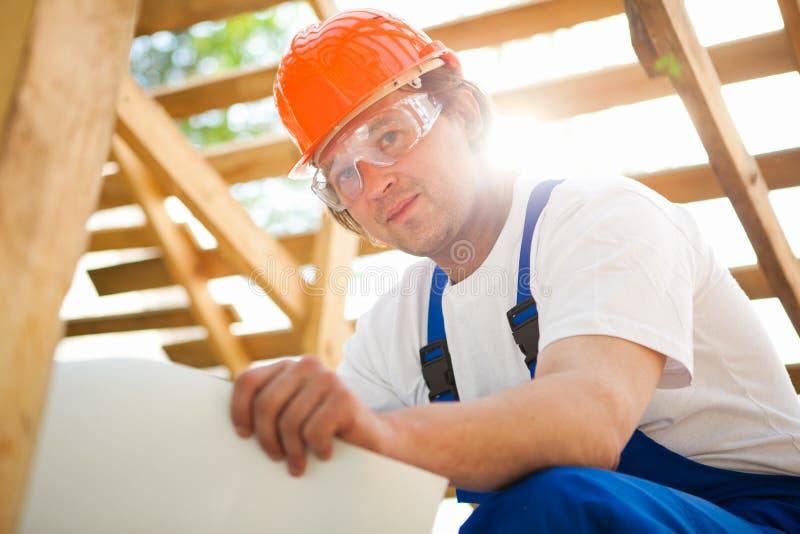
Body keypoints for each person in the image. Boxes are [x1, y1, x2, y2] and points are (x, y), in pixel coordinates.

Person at [230, 9, 800, 532]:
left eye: (389, 136)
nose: (375, 181)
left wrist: (377, 433)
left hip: (762, 517)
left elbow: (588, 423)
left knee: (554, 501)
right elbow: (332, 487)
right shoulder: (395, 329)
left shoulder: (601, 219)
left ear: (463, 113)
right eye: (345, 173)